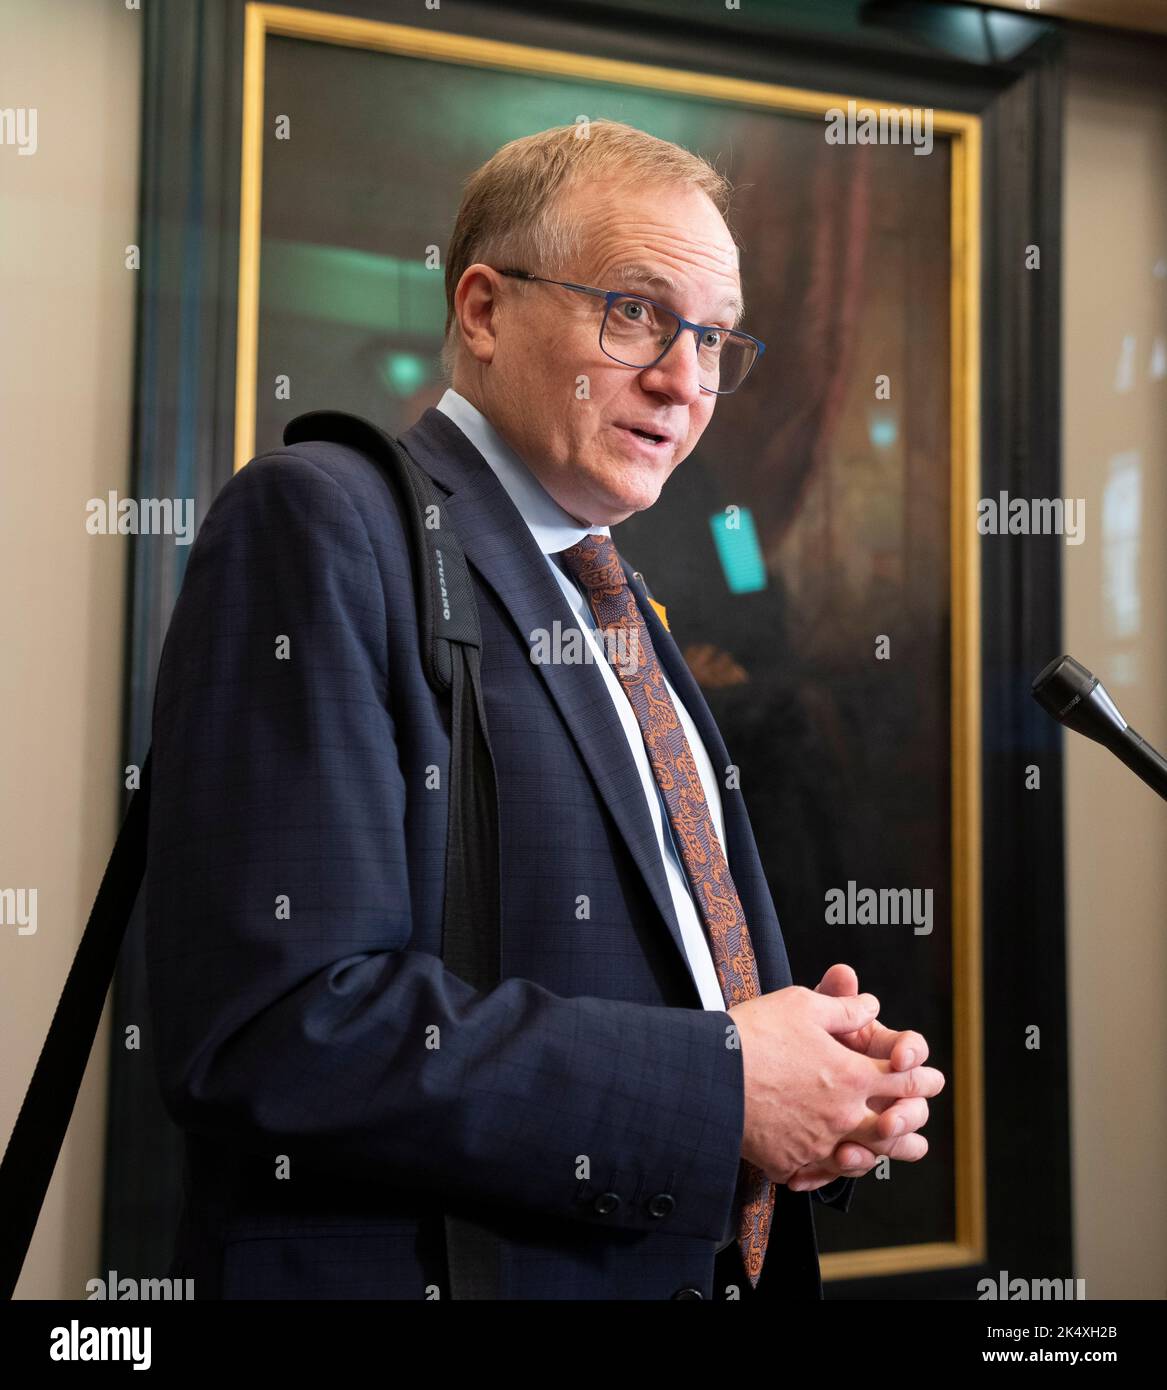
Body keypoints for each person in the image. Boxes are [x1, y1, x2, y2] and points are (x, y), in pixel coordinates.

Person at [145, 119, 944, 1301]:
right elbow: (278, 1029)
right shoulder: (323, 521)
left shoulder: (622, 599)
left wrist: (820, 1088)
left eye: (716, 338)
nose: (686, 377)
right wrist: (725, 1083)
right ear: (482, 309)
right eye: (635, 312)